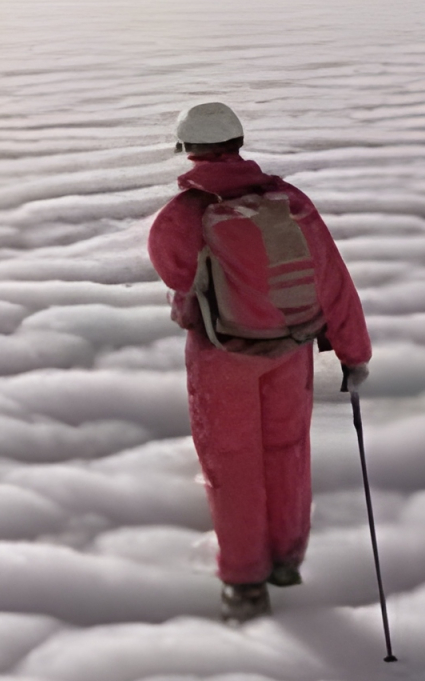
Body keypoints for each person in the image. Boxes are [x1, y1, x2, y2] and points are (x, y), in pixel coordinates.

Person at [148, 101, 370, 623]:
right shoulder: (290, 201)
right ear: (238, 142)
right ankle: (286, 561)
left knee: (233, 465)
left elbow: (176, 273)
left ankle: (246, 583)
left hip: (223, 356)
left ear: (188, 149)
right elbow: (332, 280)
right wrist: (353, 353)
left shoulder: (184, 215)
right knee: (287, 451)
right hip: (291, 349)